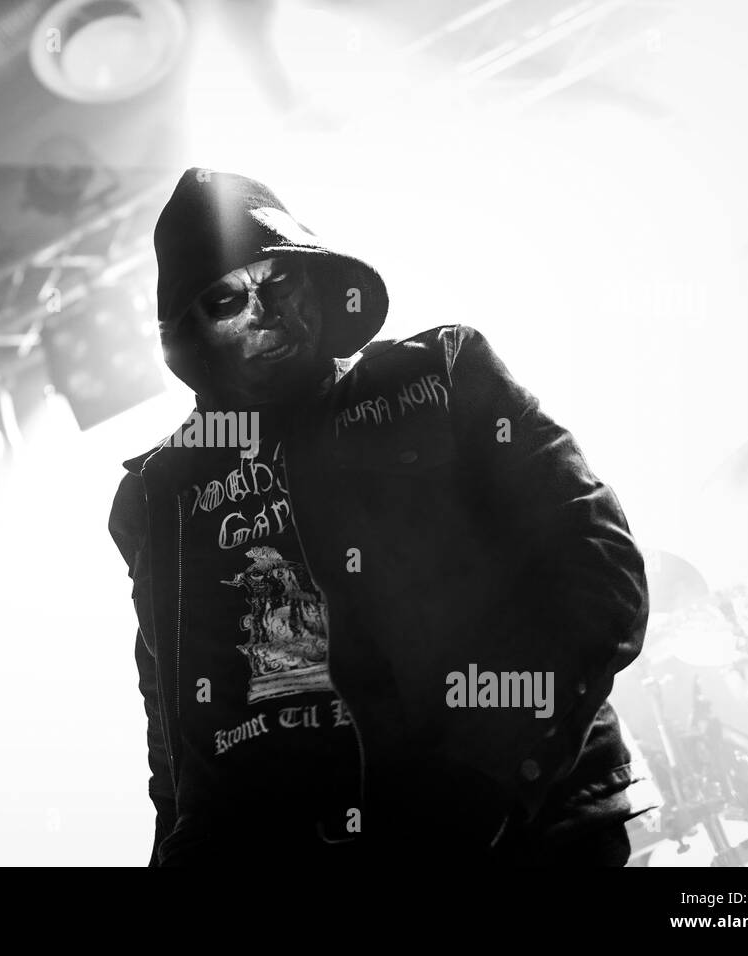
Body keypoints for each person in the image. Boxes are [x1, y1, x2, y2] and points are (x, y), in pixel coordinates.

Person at [107, 168, 651, 866]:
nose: (263, 310)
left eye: (279, 282)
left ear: (315, 283)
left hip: (535, 829)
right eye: (226, 299)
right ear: (190, 332)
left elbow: (597, 570)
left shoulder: (446, 375)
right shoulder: (162, 495)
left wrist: (481, 779)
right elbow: (179, 726)